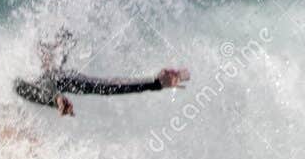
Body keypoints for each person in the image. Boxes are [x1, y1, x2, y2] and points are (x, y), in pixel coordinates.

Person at [14, 29, 189, 117]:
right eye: (51, 47)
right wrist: (55, 99)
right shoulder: (26, 69)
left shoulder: (61, 77)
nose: (56, 53)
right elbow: (26, 87)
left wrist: (155, 83)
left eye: (60, 47)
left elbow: (106, 86)